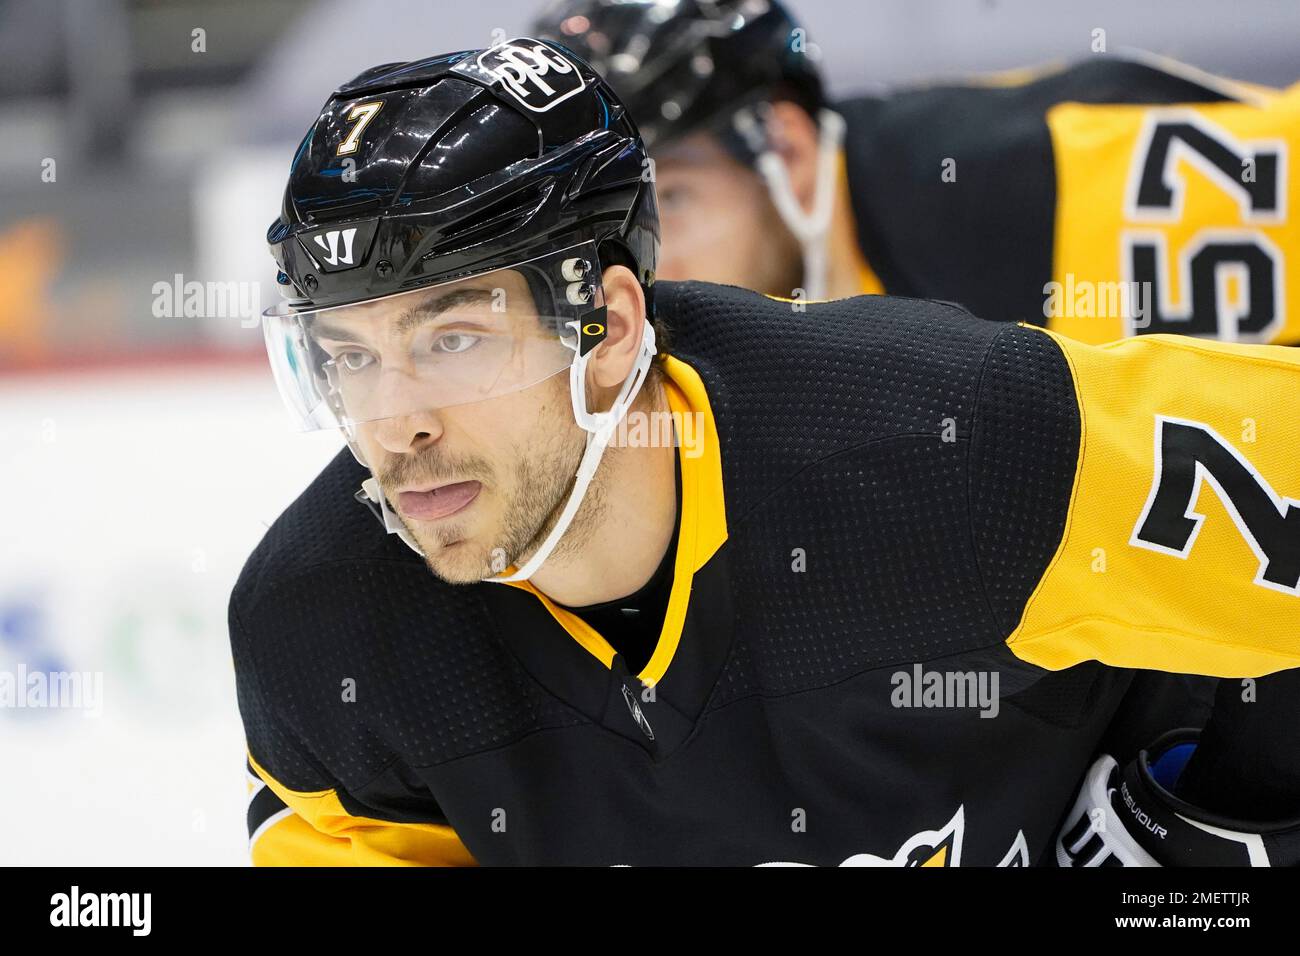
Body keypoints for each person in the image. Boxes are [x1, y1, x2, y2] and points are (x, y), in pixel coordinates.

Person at [232, 37, 1300, 866]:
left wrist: (1222, 814)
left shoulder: (947, 441)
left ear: (606, 330)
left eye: (451, 339)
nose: (396, 423)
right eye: (349, 356)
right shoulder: (326, 634)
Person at [532, 0, 1300, 345]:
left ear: (788, 151)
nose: (639, 267)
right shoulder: (812, 288)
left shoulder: (1023, 194)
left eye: (671, 200)